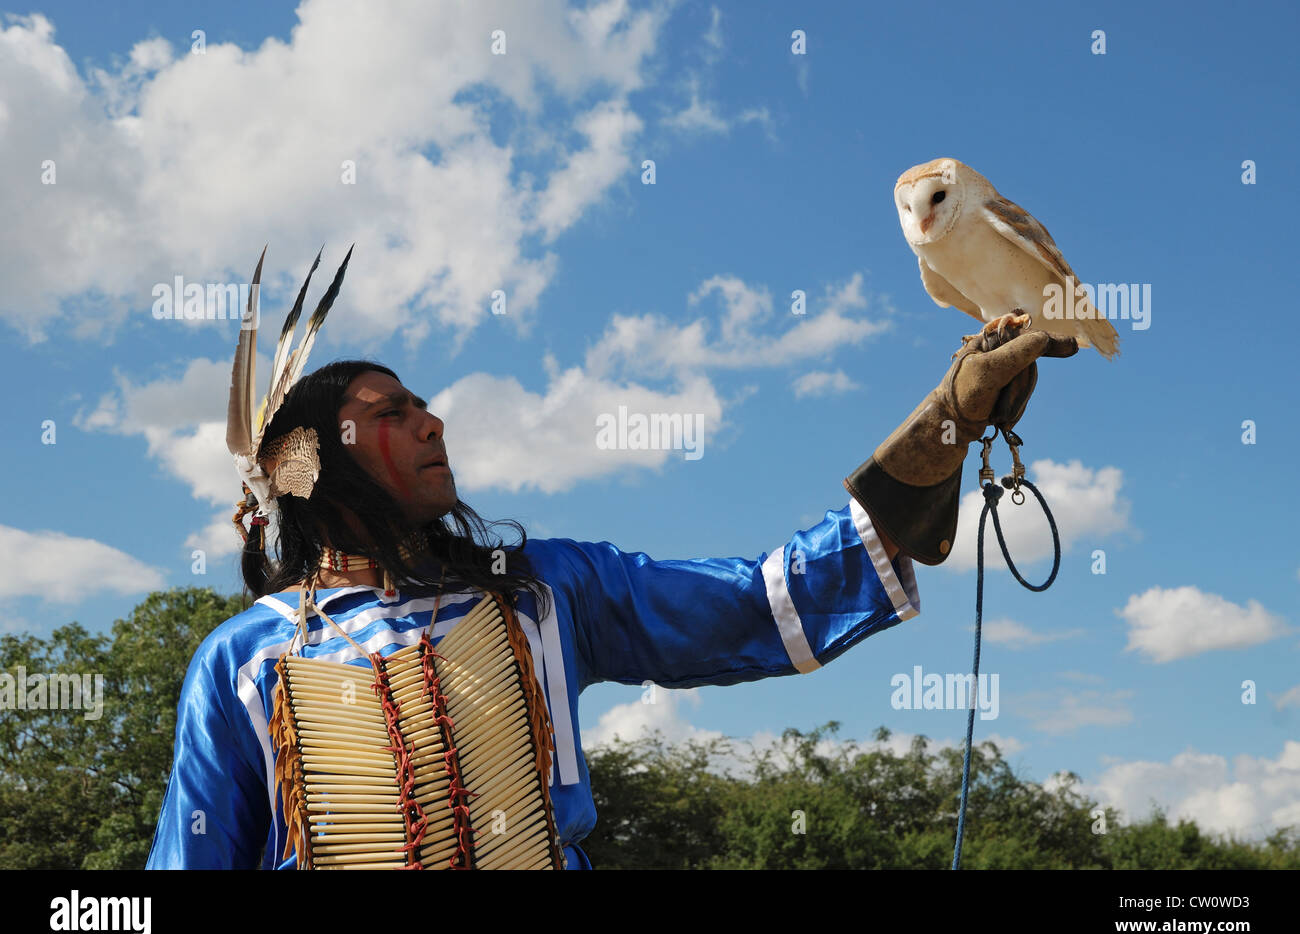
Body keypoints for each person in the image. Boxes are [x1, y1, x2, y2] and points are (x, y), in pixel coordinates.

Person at [146, 249, 1076, 869]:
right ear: (311, 461)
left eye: (422, 405)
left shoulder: (544, 595)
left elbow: (754, 604)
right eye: (389, 413)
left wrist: (944, 427)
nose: (430, 421)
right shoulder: (243, 664)